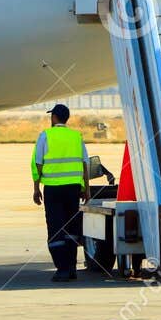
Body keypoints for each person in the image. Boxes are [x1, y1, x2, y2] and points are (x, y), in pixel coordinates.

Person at [30, 104, 111, 282]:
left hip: (53, 189)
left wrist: (36, 188)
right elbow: (84, 164)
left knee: (56, 228)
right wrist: (86, 189)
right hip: (73, 189)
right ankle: (72, 267)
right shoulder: (76, 137)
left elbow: (38, 164)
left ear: (54, 118)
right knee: (71, 228)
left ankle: (62, 269)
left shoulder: (45, 135)